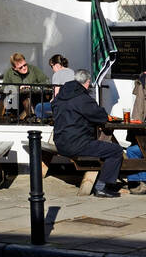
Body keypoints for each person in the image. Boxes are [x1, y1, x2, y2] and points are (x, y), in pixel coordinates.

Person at [51, 69, 124, 198]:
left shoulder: (61, 97)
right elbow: (100, 116)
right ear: (87, 82)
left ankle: (102, 182)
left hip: (60, 142)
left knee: (102, 147)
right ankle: (101, 187)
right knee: (116, 150)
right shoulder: (82, 98)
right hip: (77, 144)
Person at [0, 52, 50, 120]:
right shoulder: (9, 73)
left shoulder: (33, 69)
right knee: (3, 97)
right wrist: (18, 88)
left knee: (25, 94)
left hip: (34, 100)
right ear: (14, 68)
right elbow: (4, 87)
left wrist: (32, 87)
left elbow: (47, 82)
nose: (24, 68)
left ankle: (30, 117)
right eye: (20, 67)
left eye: (25, 65)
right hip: (16, 103)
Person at [33, 54, 72, 119]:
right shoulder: (72, 72)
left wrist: (52, 100)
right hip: (72, 103)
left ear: (57, 65)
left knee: (38, 107)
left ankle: (45, 122)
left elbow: (56, 95)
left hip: (61, 104)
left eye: (52, 66)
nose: (52, 69)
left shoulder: (57, 74)